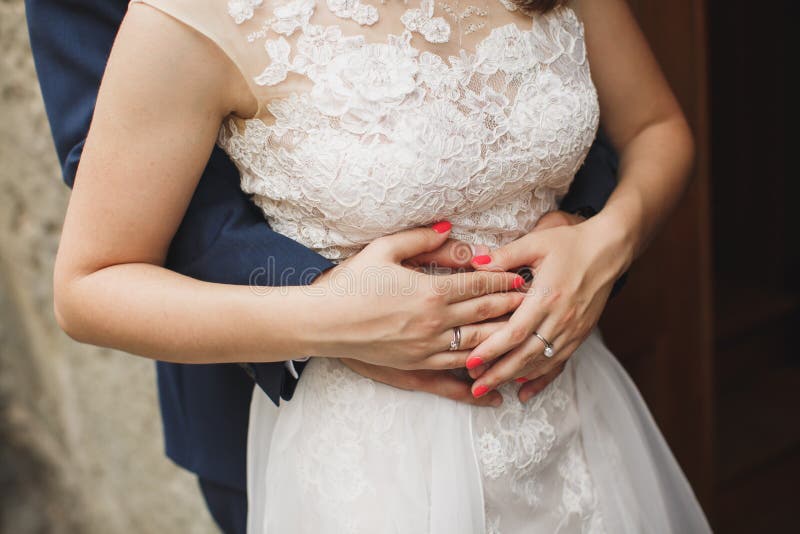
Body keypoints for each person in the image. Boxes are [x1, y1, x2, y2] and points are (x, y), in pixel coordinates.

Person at [37, 0, 712, 531]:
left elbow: (656, 127)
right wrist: (323, 314)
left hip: (576, 413)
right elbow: (90, 285)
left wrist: (607, 240)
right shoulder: (192, 18)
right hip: (380, 461)